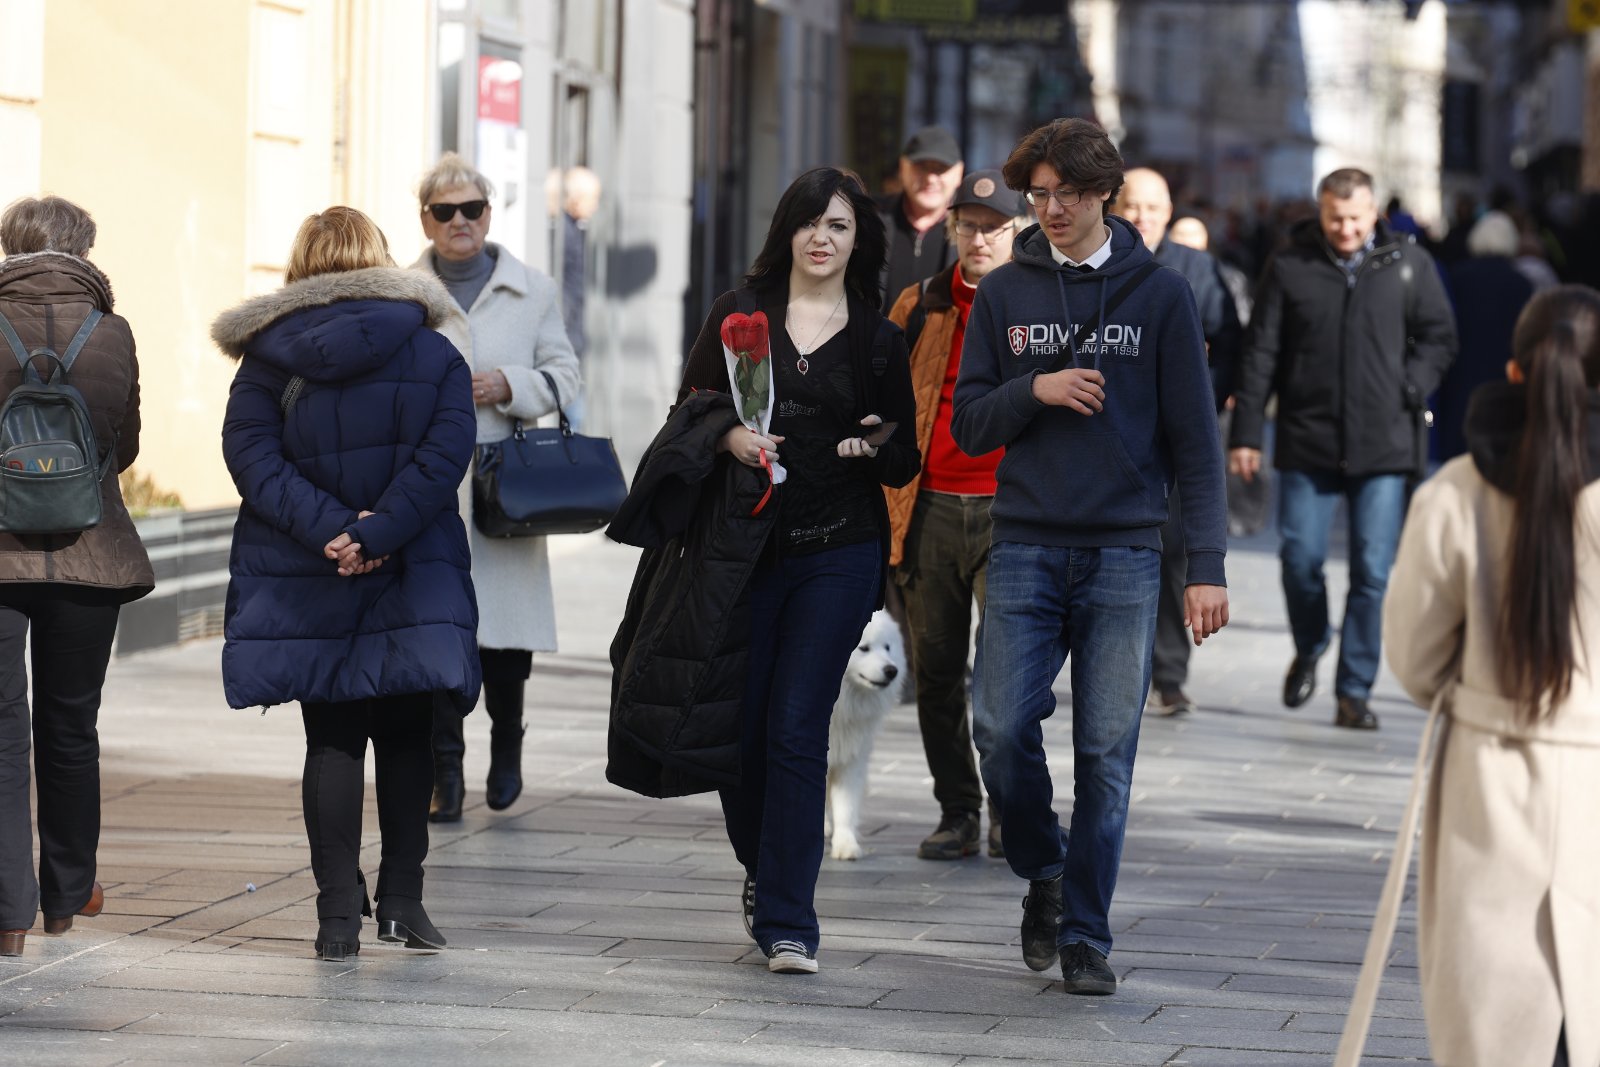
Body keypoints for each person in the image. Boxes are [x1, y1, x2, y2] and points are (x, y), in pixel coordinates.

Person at [951, 119, 1229, 996]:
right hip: (1026, 541)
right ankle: (1044, 869)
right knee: (997, 726)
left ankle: (1086, 934)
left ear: (1103, 192)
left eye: (1066, 193)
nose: (1051, 209)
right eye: (1038, 195)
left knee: (1107, 754)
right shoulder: (1005, 294)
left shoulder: (1160, 296)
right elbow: (966, 422)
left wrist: (1208, 562)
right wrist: (1034, 389)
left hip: (1123, 553)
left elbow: (1195, 441)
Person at [634, 165, 918, 975]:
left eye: (839, 226)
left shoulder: (877, 337)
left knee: (798, 724)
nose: (822, 239)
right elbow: (689, 407)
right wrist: (729, 438)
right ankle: (764, 865)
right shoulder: (740, 316)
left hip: (839, 550)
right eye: (809, 223)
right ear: (786, 230)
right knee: (746, 729)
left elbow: (905, 457)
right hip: (743, 550)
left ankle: (791, 918)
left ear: (858, 240)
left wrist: (873, 444)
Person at [215, 206, 480, 961]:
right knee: (405, 733)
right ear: (382, 261)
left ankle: (336, 918)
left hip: (308, 568)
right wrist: (376, 532)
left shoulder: (267, 361)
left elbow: (250, 456)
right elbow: (444, 457)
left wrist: (332, 530)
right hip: (410, 567)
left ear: (298, 270)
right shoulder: (434, 352)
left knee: (331, 738)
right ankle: (402, 900)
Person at [1381, 285, 1599, 1067]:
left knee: (1494, 1029)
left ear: (1514, 371)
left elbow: (1412, 656)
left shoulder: (1454, 494)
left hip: (1489, 782)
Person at [1229, 167, 1457, 730]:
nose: (1346, 229)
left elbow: (1440, 336)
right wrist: (1247, 435)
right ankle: (1310, 642)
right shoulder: (1290, 265)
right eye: (1335, 218)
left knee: (1372, 571)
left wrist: (1411, 384)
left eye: (1356, 218)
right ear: (1320, 210)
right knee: (1299, 558)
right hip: (1308, 437)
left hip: (1384, 441)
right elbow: (1260, 354)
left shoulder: (1408, 264)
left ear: (1374, 211)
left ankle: (1354, 690)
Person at [0, 197, 153, 958]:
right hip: (90, 554)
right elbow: (120, 446)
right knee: (70, 726)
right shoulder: (113, 330)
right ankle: (66, 893)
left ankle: (8, 912)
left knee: (0, 733)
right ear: (83, 249)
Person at [411, 153, 581, 822]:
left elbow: (566, 377)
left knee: (505, 637)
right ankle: (443, 770)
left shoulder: (533, 289)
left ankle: (506, 745)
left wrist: (510, 384)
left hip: (506, 486)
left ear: (489, 213)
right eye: (445, 210)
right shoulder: (403, 288)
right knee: (434, 630)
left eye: (472, 209)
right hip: (427, 483)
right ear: (425, 219)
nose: (461, 221)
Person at [883, 169, 1026, 862]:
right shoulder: (921, 302)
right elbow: (880, 392)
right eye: (968, 225)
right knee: (936, 668)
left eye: (993, 226)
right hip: (930, 506)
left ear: (1016, 233)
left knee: (1004, 674)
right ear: (952, 230)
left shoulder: (1038, 301)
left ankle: (1008, 805)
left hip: (1013, 510)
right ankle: (958, 809)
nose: (979, 238)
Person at [1114, 168, 1242, 717]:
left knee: (1172, 556)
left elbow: (1231, 340)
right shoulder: (1104, 263)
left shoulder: (1193, 269)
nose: (1143, 216)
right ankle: (1119, 669)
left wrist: (1202, 405)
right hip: (1113, 432)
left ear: (1170, 213)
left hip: (1174, 436)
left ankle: (1168, 675)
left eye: (1153, 207)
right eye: (1133, 206)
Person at [1433, 210, 1535, 463]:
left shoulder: (1457, 276)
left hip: (1461, 368)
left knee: (1458, 446)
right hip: (1503, 370)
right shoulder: (1521, 283)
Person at [877, 126, 964, 310]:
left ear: (958, 173)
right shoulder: (872, 217)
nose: (930, 179)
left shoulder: (970, 231)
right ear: (903, 167)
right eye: (921, 167)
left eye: (941, 169)